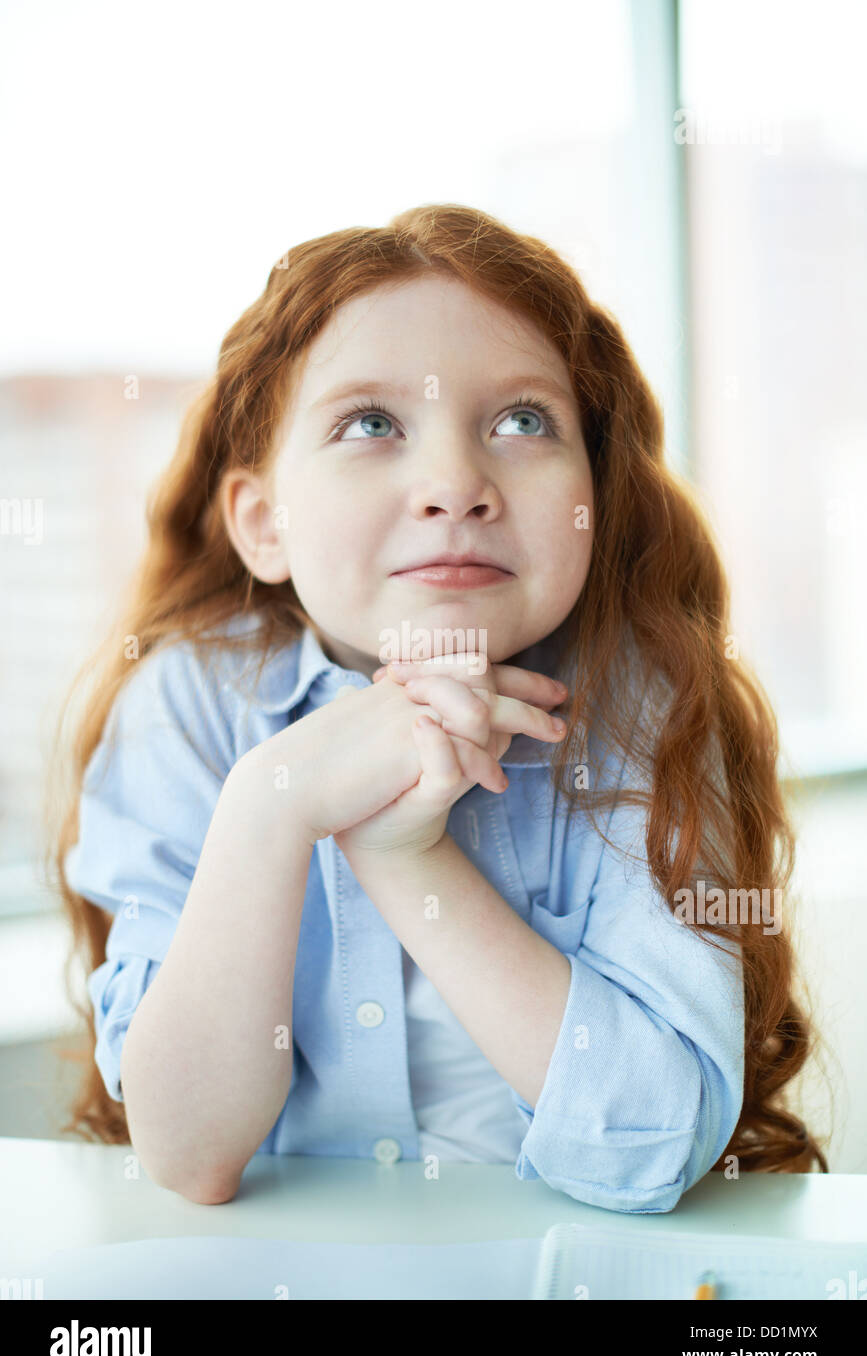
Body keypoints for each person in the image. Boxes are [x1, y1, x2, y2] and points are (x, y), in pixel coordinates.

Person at [47, 203, 827, 1209]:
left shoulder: (647, 702)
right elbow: (191, 1153)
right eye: (370, 424)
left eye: (523, 421)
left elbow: (653, 1144)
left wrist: (403, 851)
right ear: (261, 523)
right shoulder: (188, 704)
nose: (456, 483)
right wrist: (274, 805)